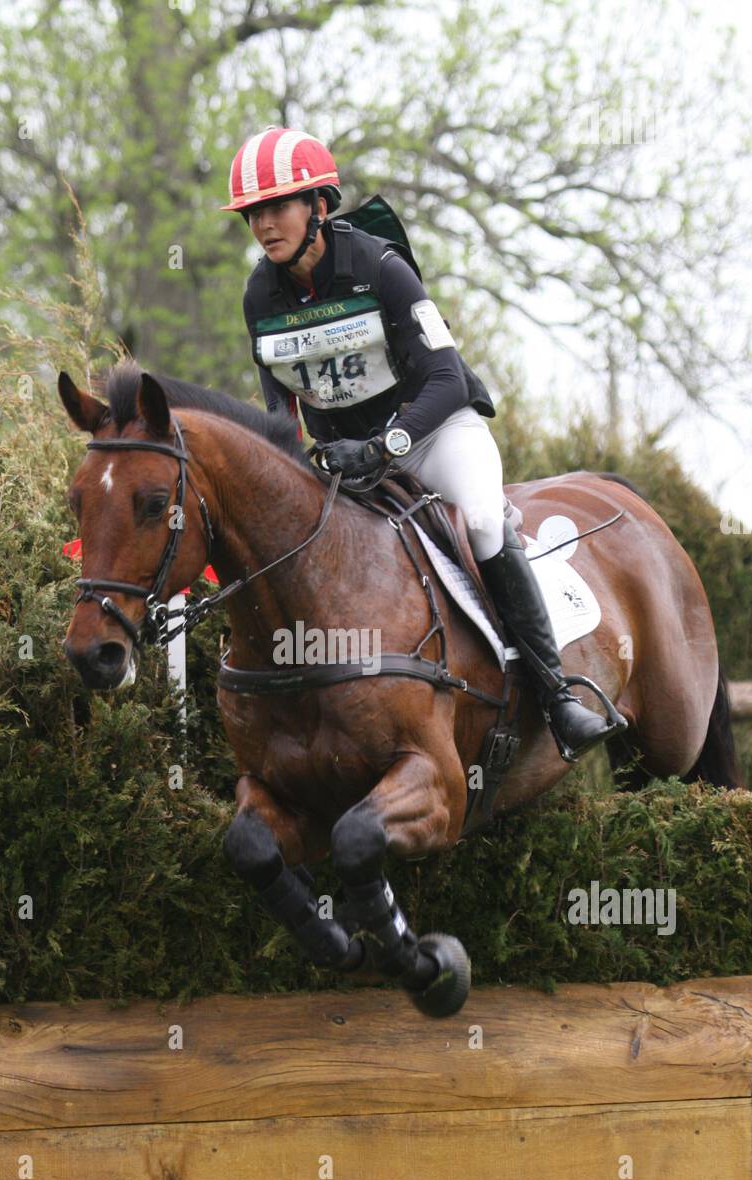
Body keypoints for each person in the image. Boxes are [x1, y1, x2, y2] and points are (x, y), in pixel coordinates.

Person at [221, 125, 621, 762]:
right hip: (345, 461)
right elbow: (280, 406)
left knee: (486, 523)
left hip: (433, 433)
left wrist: (386, 446)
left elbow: (442, 374)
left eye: (277, 207)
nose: (264, 225)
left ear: (319, 206)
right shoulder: (259, 294)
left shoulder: (381, 266)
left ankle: (556, 694)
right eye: (253, 214)